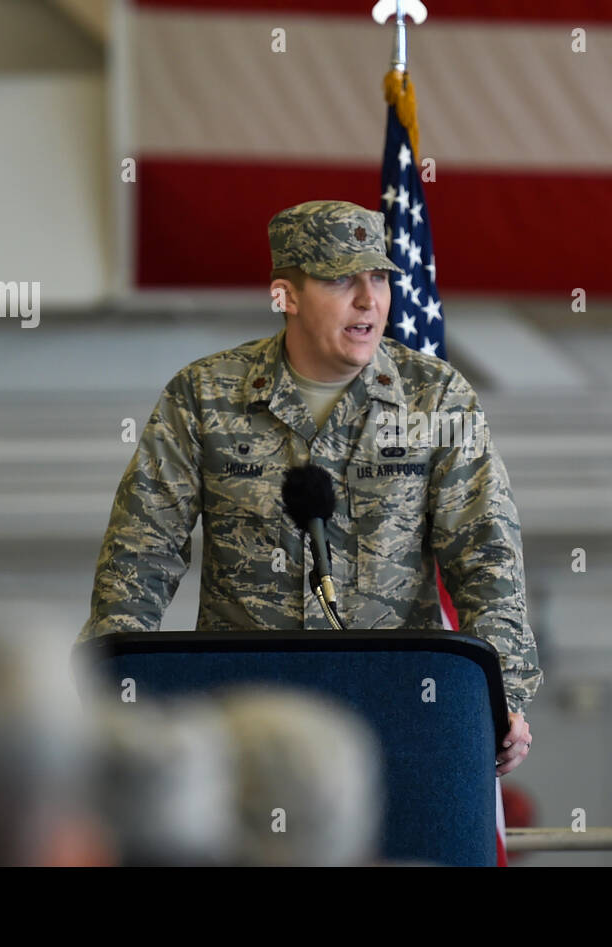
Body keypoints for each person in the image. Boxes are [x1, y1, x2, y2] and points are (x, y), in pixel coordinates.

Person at [77, 199, 541, 775]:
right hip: (243, 724)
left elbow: (486, 555)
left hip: (399, 714)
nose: (370, 300)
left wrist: (506, 697)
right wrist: (108, 687)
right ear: (285, 297)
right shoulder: (203, 395)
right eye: (342, 279)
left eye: (379, 278)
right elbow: (140, 551)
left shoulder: (434, 397)